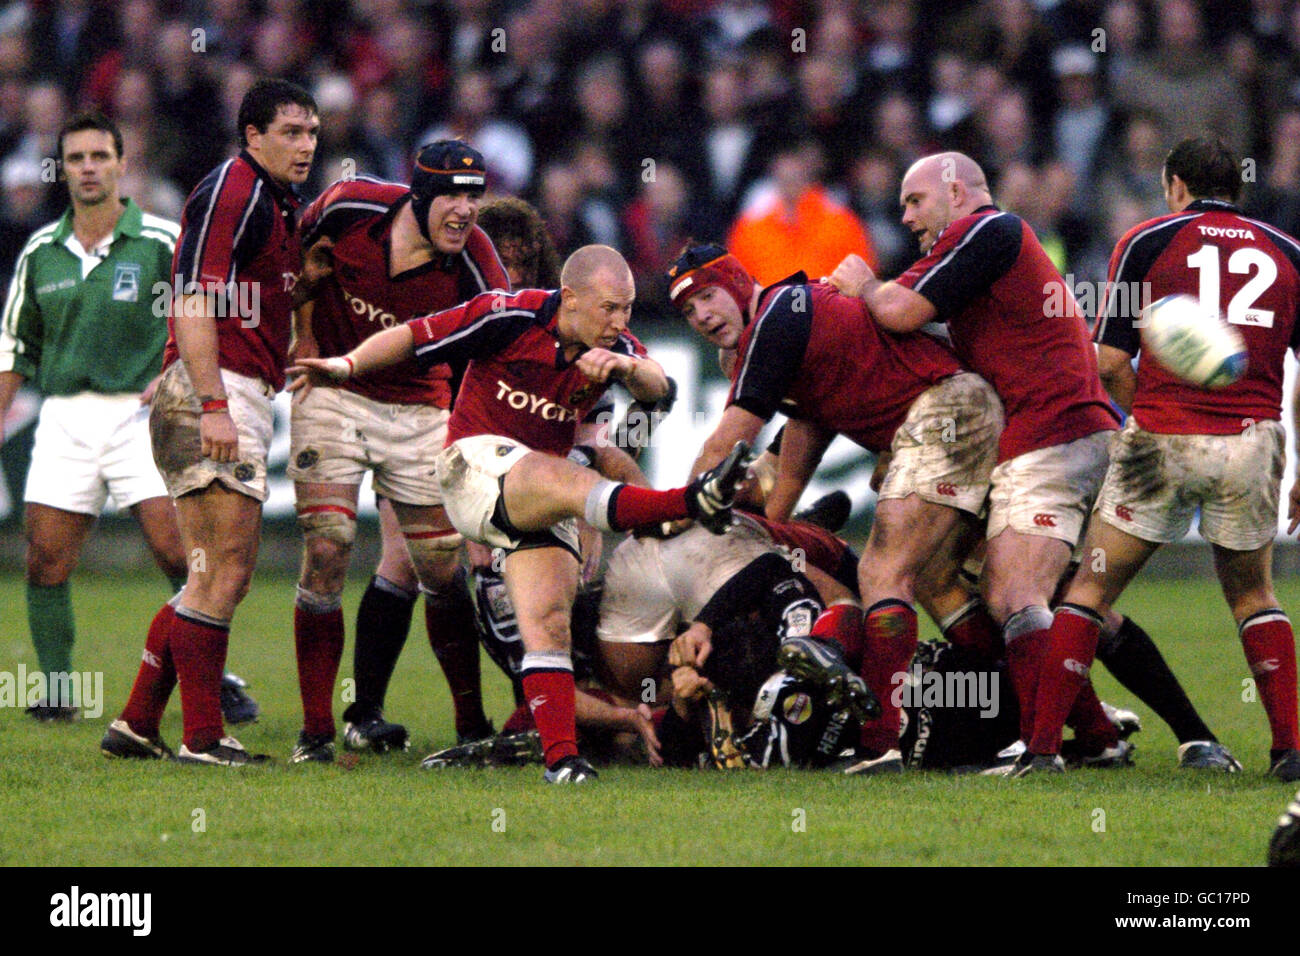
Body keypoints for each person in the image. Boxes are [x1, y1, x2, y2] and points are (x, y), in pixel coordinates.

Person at [290, 244, 750, 783]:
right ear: (570, 298)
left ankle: (561, 760)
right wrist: (347, 365)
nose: (619, 321)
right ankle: (693, 500)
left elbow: (660, 390)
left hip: (536, 502)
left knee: (548, 623)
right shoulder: (506, 316)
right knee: (572, 472)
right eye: (609, 308)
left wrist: (627, 367)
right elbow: (416, 336)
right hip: (472, 468)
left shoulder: (614, 348)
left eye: (627, 309)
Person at [1018, 137, 1300, 780]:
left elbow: (1110, 361)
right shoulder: (1289, 254)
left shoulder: (1145, 241)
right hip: (1252, 441)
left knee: (1088, 590)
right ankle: (1289, 751)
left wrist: (1141, 415)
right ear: (1239, 187)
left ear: (1174, 185)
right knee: (1255, 594)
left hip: (1160, 442)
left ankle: (1040, 752)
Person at [668, 242, 1005, 773]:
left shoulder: (778, 314)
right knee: (969, 585)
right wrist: (773, 530)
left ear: (736, 282)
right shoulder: (802, 346)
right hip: (957, 412)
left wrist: (672, 513)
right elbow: (797, 457)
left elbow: (726, 443)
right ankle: (1062, 723)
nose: (701, 315)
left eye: (707, 296)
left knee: (882, 573)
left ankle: (879, 744)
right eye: (688, 311)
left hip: (947, 409)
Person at [829, 151, 1120, 752]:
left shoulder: (990, 228)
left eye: (915, 201)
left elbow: (899, 311)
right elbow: (898, 321)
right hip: (1042, 435)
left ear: (958, 191)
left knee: (1014, 593)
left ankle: (1044, 746)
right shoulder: (959, 258)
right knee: (1005, 588)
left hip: (1055, 430)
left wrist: (862, 284)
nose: (906, 217)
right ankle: (1104, 733)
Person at [0, 111, 255, 726]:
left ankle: (214, 677)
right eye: (76, 158)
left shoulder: (163, 241)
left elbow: (210, 313)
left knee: (177, 552)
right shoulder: (42, 251)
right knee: (44, 558)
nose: (88, 167)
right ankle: (60, 690)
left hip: (144, 416)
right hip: (63, 416)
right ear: (63, 170)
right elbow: (14, 345)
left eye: (99, 156)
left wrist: (172, 375)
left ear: (120, 164)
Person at [102, 79, 319, 765]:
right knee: (216, 573)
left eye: (312, 131)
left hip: (229, 389)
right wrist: (210, 401)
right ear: (252, 137)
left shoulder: (278, 201)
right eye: (291, 131)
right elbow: (192, 296)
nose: (307, 144)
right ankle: (202, 736)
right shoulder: (236, 188)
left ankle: (137, 723)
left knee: (221, 573)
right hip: (215, 393)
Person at [284, 140, 509, 763]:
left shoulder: (480, 268)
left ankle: (472, 725)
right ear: (420, 195)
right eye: (453, 196)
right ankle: (316, 733)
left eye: (474, 196)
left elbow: (496, 351)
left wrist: (471, 436)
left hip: (422, 411)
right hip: (333, 388)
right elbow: (294, 256)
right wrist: (303, 326)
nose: (465, 211)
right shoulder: (348, 206)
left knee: (440, 569)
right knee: (327, 550)